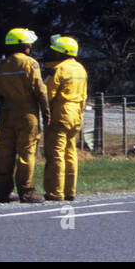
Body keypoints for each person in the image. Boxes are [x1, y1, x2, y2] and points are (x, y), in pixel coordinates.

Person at [0, 28, 50, 203]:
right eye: (29, 44)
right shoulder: (31, 64)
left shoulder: (1, 65)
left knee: (5, 152)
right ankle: (26, 192)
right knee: (26, 153)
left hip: (6, 113)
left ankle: (2, 192)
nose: (30, 47)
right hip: (27, 114)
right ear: (24, 46)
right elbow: (40, 90)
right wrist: (46, 113)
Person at [43, 36, 88, 202]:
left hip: (61, 114)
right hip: (76, 115)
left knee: (56, 154)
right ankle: (70, 191)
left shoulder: (59, 69)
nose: (51, 53)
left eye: (55, 51)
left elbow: (48, 95)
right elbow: (84, 95)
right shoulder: (80, 69)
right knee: (70, 153)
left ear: (61, 53)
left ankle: (55, 193)